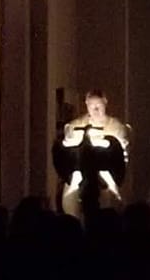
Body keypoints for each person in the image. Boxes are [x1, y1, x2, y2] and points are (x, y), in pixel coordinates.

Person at [54, 90, 131, 219]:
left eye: (98, 106)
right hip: (80, 171)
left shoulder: (117, 127)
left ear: (105, 104)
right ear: (86, 105)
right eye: (91, 106)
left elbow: (121, 155)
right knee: (71, 196)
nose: (95, 110)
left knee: (111, 196)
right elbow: (68, 148)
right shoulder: (75, 126)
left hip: (106, 171)